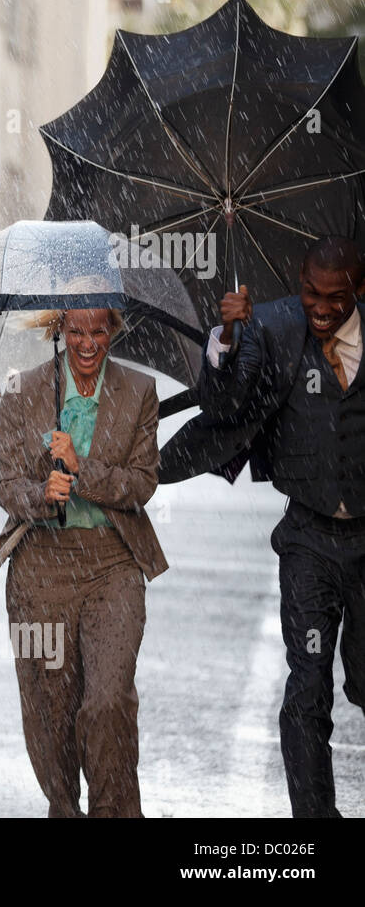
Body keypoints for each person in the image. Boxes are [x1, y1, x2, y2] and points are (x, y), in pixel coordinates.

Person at [160, 236, 365, 818]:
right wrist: (227, 335)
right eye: (309, 294)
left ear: (360, 291)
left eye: (335, 297)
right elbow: (223, 406)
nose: (319, 308)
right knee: (307, 687)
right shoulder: (271, 328)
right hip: (307, 542)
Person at [0, 305, 167, 817]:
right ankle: (63, 808)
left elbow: (141, 485)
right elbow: (3, 483)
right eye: (76, 331)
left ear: (114, 330)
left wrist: (83, 470)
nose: (87, 344)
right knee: (52, 716)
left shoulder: (139, 392)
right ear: (58, 329)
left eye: (99, 331)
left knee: (107, 701)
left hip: (113, 564)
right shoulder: (21, 391)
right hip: (40, 572)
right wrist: (45, 492)